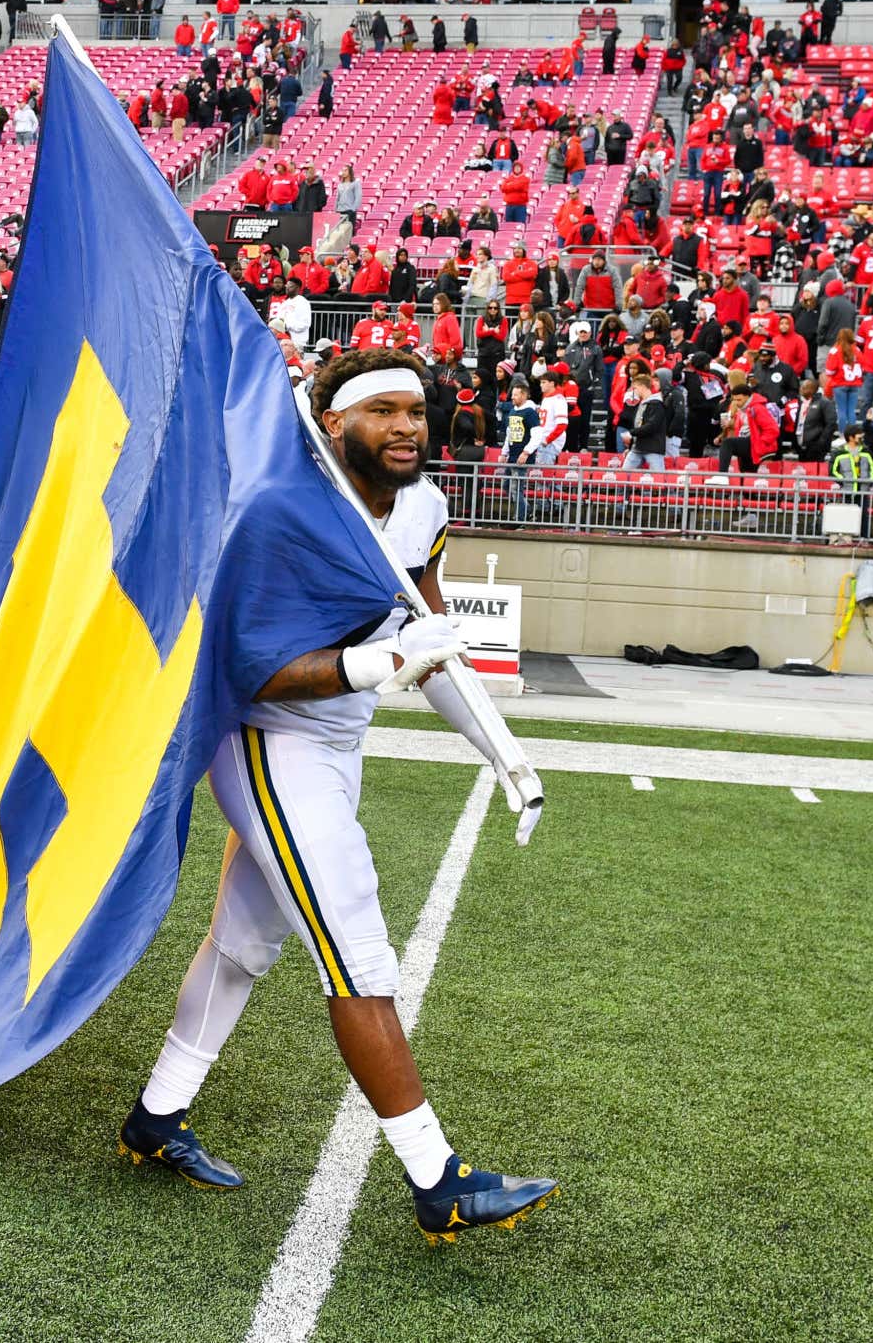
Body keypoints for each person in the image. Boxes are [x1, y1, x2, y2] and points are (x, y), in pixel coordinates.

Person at [119, 348, 553, 1244]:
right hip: (267, 735)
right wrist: (378, 663)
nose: (405, 427)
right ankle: (437, 1180)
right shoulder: (286, 509)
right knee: (355, 945)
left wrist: (498, 749)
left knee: (244, 942)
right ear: (334, 425)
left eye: (417, 411)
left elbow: (428, 638)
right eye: (383, 411)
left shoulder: (423, 506)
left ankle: (155, 1119)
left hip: (337, 740)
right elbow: (248, 667)